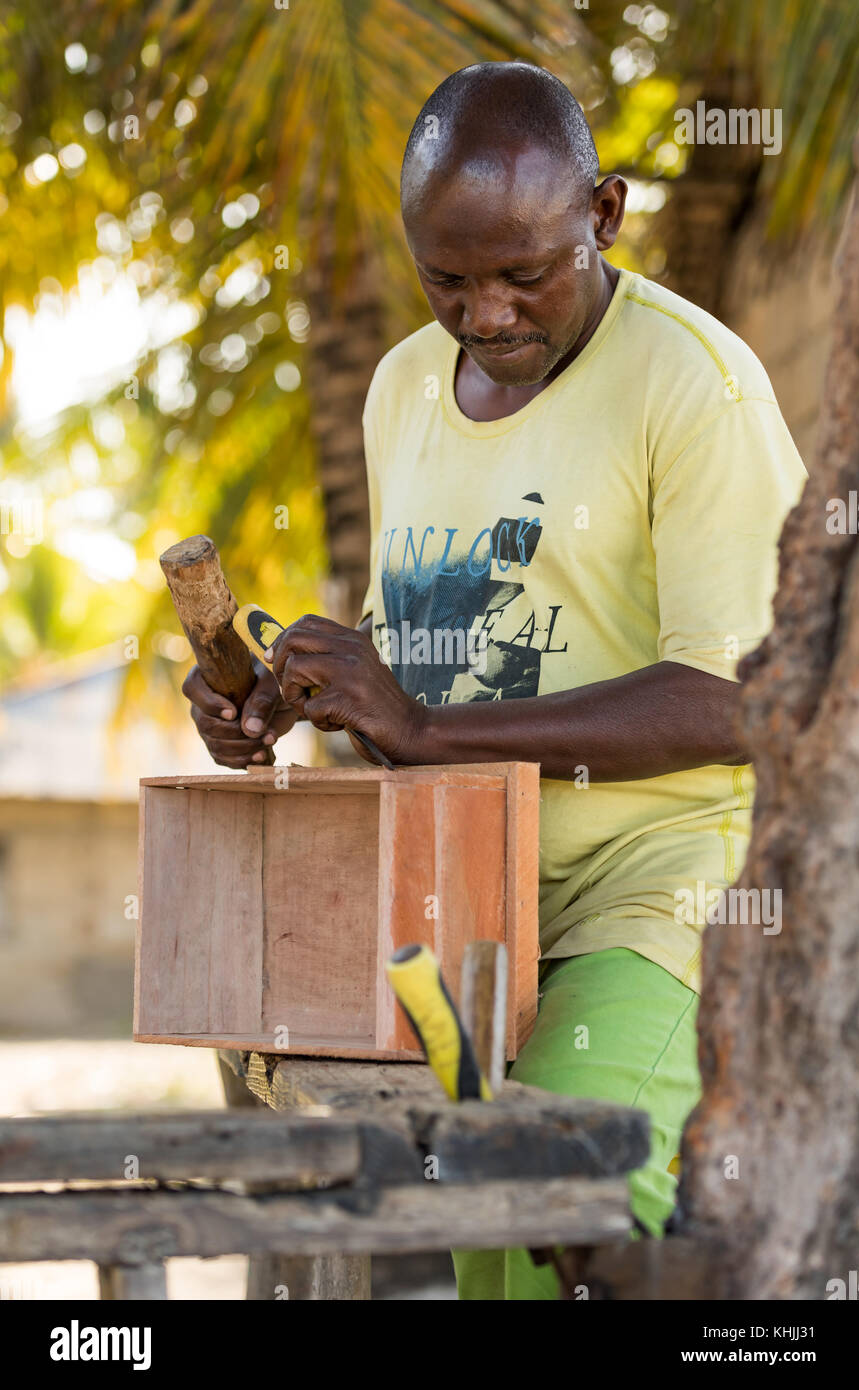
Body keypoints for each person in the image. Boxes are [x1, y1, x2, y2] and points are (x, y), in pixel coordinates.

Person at [183, 62, 807, 1299]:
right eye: (448, 279)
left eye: (525, 273)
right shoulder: (400, 387)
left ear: (606, 213)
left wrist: (421, 725)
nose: (484, 315)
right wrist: (284, 702)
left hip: (657, 896)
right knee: (486, 1244)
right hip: (459, 906)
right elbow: (411, 676)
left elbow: (744, 699)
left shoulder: (692, 385)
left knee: (557, 1197)